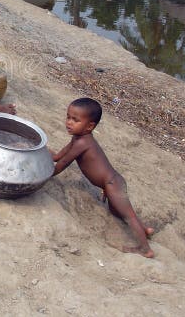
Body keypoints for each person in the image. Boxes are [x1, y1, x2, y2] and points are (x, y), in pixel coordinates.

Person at [51, 98, 154, 257]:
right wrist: (54, 156)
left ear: (90, 126)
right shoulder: (77, 138)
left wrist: (48, 174)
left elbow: (64, 163)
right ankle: (145, 230)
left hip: (112, 183)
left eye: (75, 120)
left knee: (128, 216)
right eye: (68, 117)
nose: (69, 122)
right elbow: (61, 155)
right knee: (116, 211)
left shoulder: (83, 142)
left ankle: (145, 249)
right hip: (109, 184)